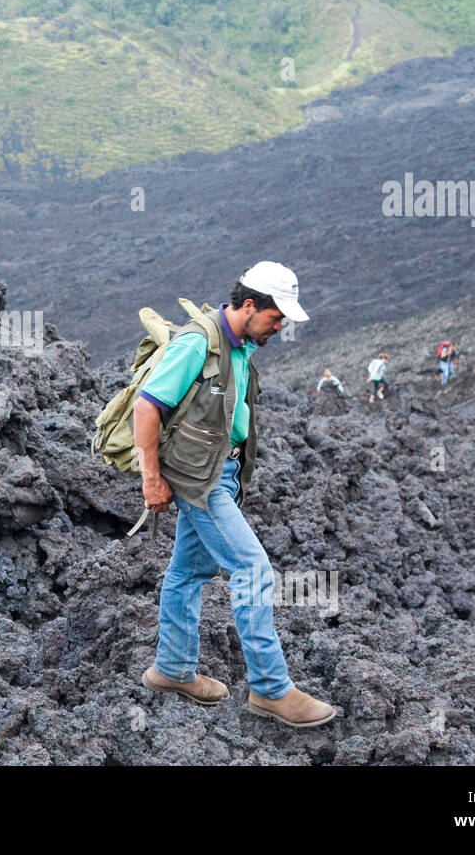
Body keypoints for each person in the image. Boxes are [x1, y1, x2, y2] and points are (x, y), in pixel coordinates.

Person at [132, 261, 337, 728]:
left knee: (189, 570)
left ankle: (172, 670)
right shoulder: (197, 344)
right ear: (249, 305)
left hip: (219, 474)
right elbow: (147, 406)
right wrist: (151, 478)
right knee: (252, 569)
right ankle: (271, 689)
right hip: (200, 481)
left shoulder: (239, 344)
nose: (280, 326)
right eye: (276, 316)